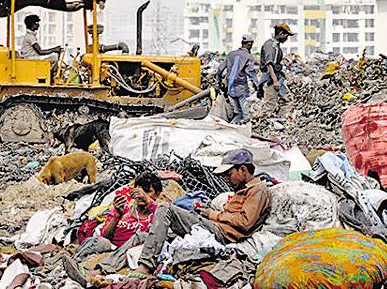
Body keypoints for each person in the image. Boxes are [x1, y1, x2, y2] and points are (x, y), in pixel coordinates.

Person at [133, 149, 270, 275]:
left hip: (221, 234)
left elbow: (244, 222)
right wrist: (206, 210)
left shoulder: (257, 190)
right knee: (143, 235)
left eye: (229, 174)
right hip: (214, 226)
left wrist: (213, 214)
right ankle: (118, 268)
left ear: (243, 169)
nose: (227, 179)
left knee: (165, 208)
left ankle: (146, 265)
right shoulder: (242, 189)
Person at [73, 172, 163, 263]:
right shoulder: (125, 209)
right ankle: (75, 261)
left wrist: (147, 200)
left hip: (128, 254)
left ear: (157, 194)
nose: (140, 195)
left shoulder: (157, 214)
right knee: (99, 242)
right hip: (110, 249)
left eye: (147, 191)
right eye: (138, 190)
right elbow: (105, 235)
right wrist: (117, 216)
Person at [215, 34, 259, 124]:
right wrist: (258, 86)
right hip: (241, 88)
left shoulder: (231, 54)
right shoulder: (248, 56)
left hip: (230, 89)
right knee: (246, 115)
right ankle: (244, 130)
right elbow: (251, 73)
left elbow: (220, 69)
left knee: (239, 113)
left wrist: (218, 83)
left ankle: (232, 127)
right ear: (249, 44)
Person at [259, 23, 293, 113]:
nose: (286, 38)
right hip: (270, 78)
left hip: (277, 77)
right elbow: (269, 64)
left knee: (287, 100)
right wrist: (275, 81)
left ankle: (281, 119)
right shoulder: (271, 45)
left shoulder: (276, 45)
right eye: (286, 35)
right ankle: (263, 120)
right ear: (281, 33)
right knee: (269, 106)